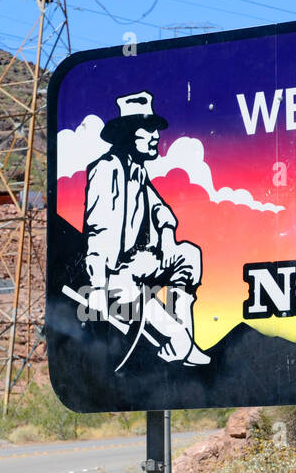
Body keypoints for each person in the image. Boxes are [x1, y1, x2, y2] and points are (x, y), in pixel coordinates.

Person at [82, 91, 210, 366]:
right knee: (131, 292)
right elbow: (97, 231)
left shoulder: (138, 172)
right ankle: (181, 343)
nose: (156, 137)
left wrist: (165, 236)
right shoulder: (107, 170)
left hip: (138, 262)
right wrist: (97, 287)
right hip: (113, 272)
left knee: (188, 254)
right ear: (129, 134)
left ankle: (182, 338)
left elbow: (161, 209)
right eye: (148, 130)